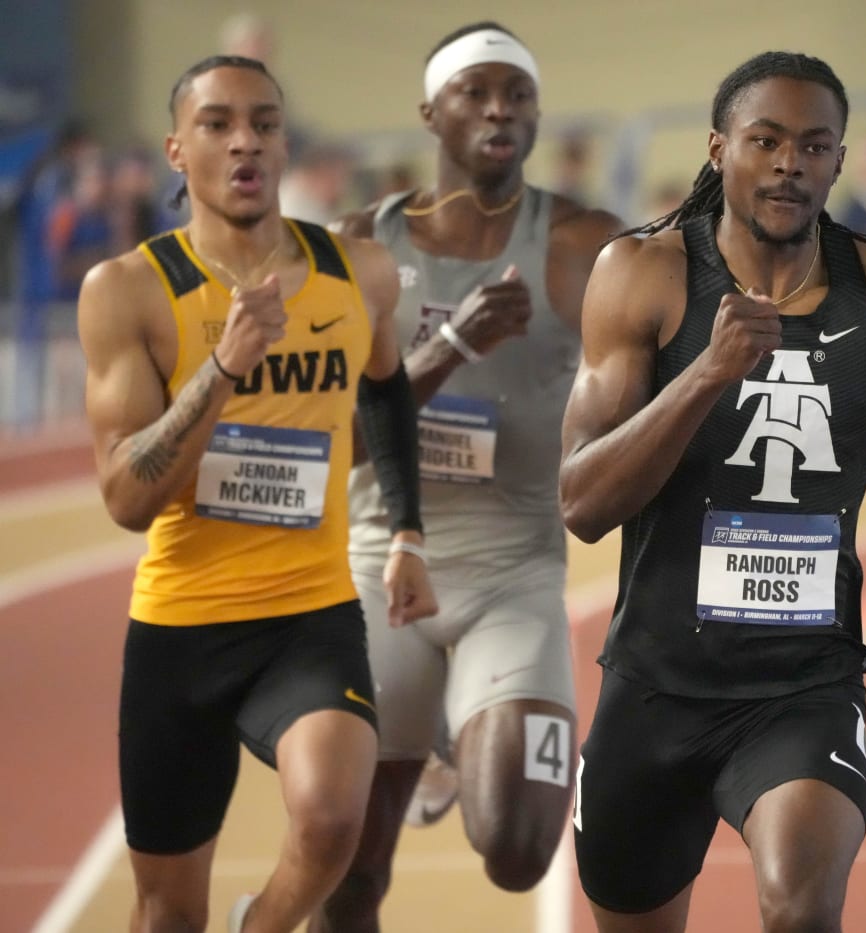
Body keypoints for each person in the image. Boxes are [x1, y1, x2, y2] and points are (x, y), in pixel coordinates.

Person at [559, 50, 866, 931]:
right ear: (718, 149)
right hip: (655, 685)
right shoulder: (645, 275)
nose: (790, 162)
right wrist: (707, 372)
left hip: (803, 685)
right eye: (766, 140)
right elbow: (583, 504)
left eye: (815, 145)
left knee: (799, 908)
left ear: (840, 161)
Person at [76, 55, 435, 933]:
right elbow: (125, 497)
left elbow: (385, 389)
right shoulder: (129, 292)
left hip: (308, 615)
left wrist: (408, 530)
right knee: (166, 911)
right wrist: (226, 366)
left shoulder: (360, 273)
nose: (246, 141)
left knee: (332, 819)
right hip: (181, 626)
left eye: (265, 124)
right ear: (176, 149)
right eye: (218, 123)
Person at [315, 22, 624, 927]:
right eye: (476, 93)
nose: (500, 110)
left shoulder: (584, 243)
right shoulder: (357, 245)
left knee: (520, 849)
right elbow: (343, 441)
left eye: (517, 95)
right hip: (381, 569)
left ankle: (456, 727)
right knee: (351, 872)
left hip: (514, 573)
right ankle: (443, 715)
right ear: (429, 114)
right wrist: (450, 346)